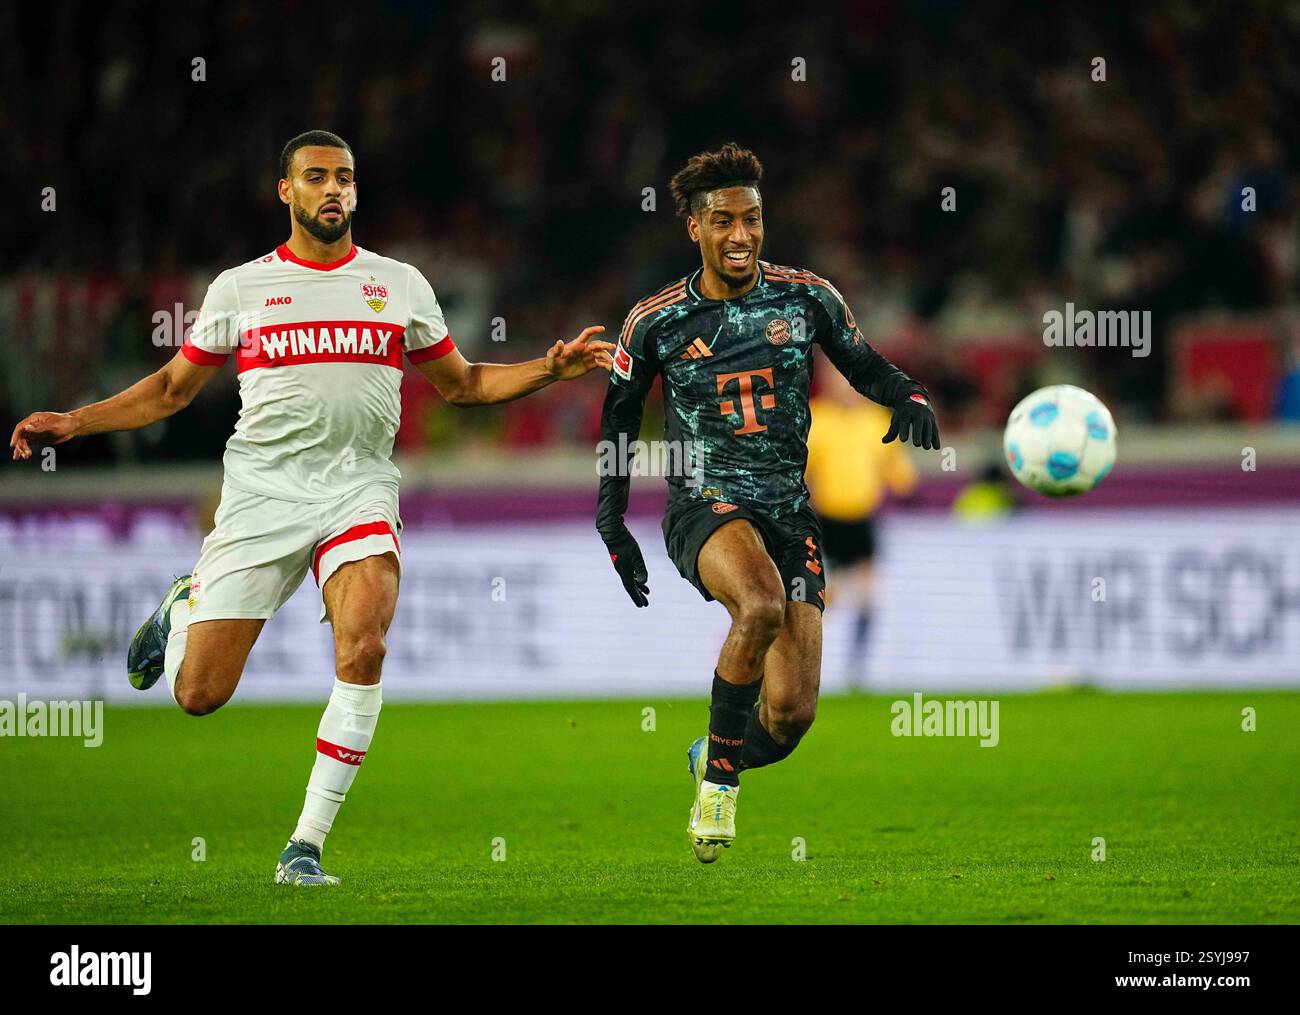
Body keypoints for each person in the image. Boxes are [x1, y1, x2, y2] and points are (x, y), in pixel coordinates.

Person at [9, 130, 612, 886]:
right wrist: (74, 420)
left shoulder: (398, 283)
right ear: (285, 192)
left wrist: (547, 369)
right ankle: (184, 606)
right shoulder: (242, 287)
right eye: (317, 177)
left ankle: (305, 845)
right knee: (199, 694)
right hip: (263, 492)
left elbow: (463, 385)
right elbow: (170, 390)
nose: (334, 190)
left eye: (346, 178)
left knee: (364, 646)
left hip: (359, 483)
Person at [594, 144, 939, 863]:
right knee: (759, 604)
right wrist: (612, 518)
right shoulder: (655, 320)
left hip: (789, 509)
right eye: (723, 222)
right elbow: (620, 417)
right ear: (693, 227)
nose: (742, 235)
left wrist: (904, 390)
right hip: (705, 504)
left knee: (790, 717)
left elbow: (860, 358)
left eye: (752, 219)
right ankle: (719, 788)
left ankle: (713, 751)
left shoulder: (806, 296)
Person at [805, 362, 919, 692]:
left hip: (864, 522)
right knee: (821, 601)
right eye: (837, 380)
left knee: (869, 598)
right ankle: (802, 664)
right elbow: (801, 473)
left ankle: (858, 670)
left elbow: (900, 476)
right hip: (826, 523)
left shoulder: (876, 422)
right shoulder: (817, 419)